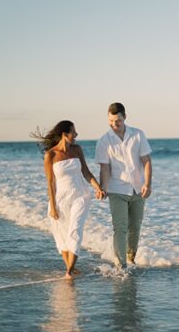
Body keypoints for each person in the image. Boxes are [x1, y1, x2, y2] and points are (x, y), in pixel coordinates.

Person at [33, 121, 106, 279]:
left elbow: (85, 171)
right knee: (63, 236)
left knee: (75, 229)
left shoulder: (77, 150)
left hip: (80, 196)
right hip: (60, 200)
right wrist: (53, 207)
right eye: (73, 132)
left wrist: (98, 187)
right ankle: (70, 268)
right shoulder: (50, 155)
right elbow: (50, 183)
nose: (76, 135)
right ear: (64, 134)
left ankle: (69, 272)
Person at [95, 103, 152, 269]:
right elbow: (105, 168)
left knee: (135, 227)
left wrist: (147, 184)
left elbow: (146, 161)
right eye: (111, 121)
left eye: (118, 120)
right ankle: (121, 266)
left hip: (138, 189)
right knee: (119, 228)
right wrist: (103, 188)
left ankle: (131, 258)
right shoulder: (104, 141)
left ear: (125, 117)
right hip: (116, 190)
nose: (114, 124)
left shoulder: (138, 135)